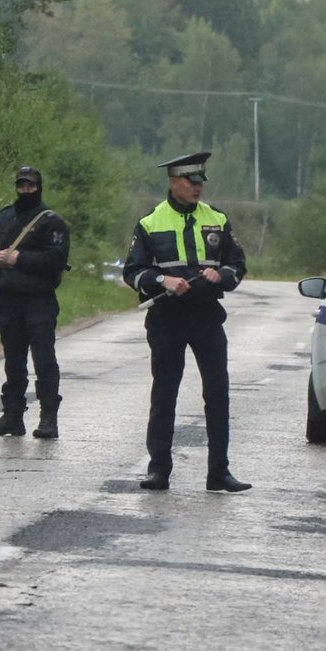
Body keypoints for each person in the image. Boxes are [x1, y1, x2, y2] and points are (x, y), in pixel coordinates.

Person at [122, 151, 251, 492]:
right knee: (165, 394)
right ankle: (158, 470)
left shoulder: (218, 219)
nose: (197, 188)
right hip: (167, 317)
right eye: (191, 182)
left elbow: (237, 265)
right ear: (174, 182)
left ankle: (218, 472)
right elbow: (132, 272)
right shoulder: (150, 222)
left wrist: (219, 274)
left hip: (206, 316)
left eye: (200, 182)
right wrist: (162, 281)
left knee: (218, 393)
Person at [0, 166, 71, 439]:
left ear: (38, 187)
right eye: (22, 186)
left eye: (30, 186)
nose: (26, 190)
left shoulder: (51, 222)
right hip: (9, 299)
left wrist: (18, 258)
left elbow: (55, 261)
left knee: (44, 360)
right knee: (13, 361)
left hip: (39, 300)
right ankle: (12, 416)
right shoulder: (5, 217)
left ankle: (48, 418)